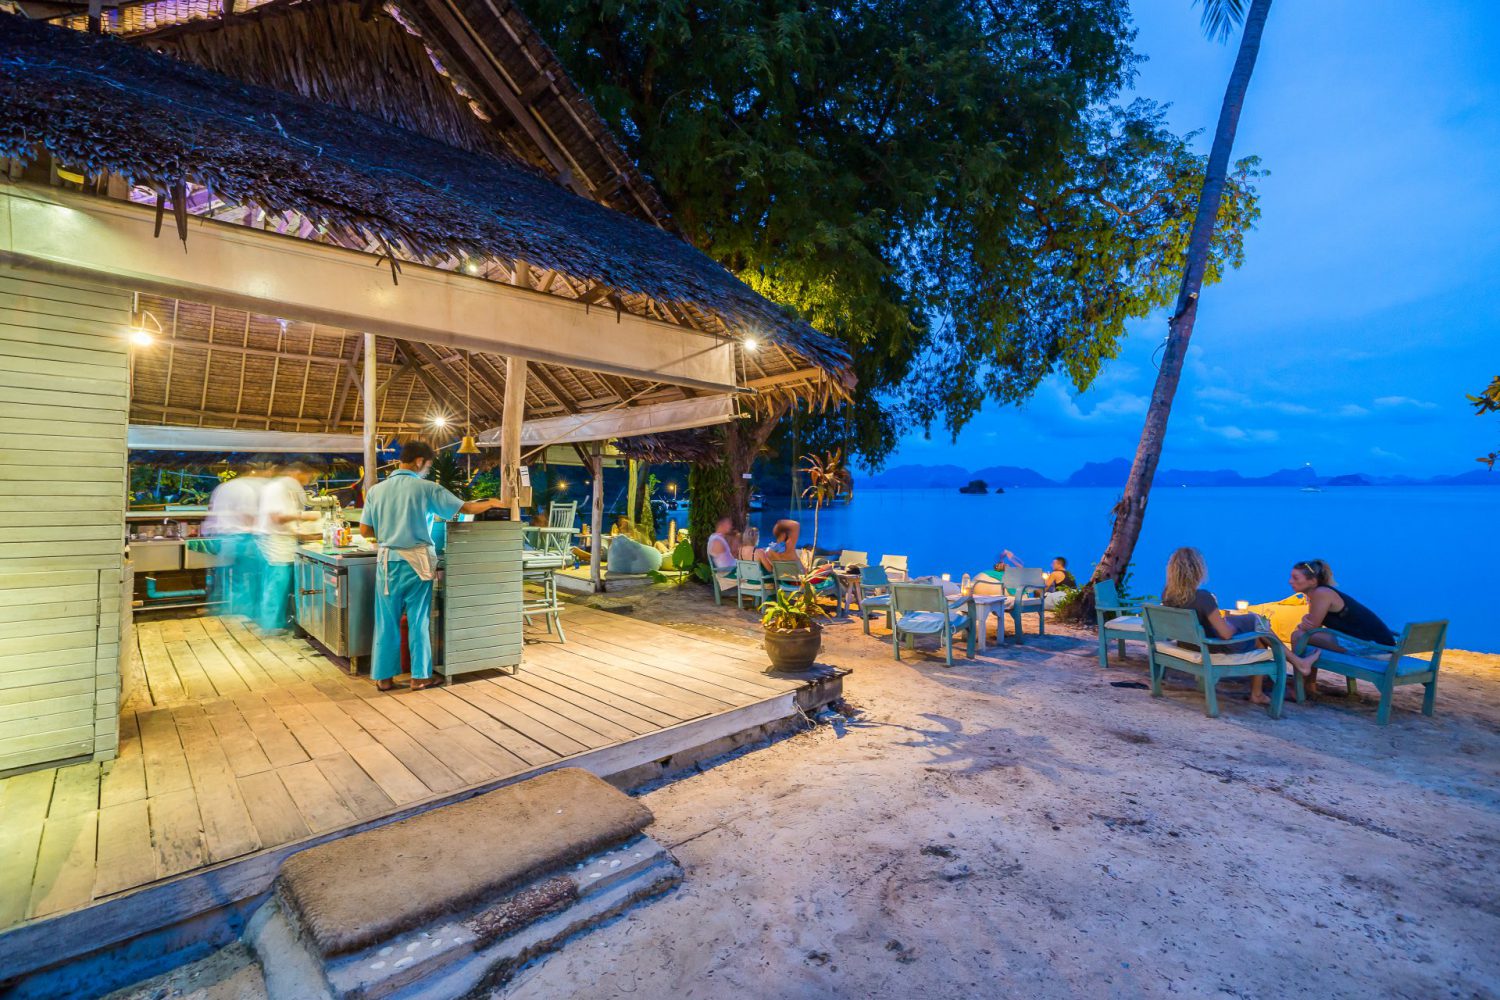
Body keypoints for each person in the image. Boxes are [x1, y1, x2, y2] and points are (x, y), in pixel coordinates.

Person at [359, 442, 504, 691]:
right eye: (427, 465)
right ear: (418, 462)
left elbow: (364, 530)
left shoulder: (376, 490)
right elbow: (466, 508)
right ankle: (419, 677)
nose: (427, 470)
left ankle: (383, 678)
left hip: (387, 563)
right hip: (417, 563)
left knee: (386, 621)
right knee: (418, 620)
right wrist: (492, 503)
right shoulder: (427, 488)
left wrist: (388, 533)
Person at [1162, 547, 1279, 705]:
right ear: (1198, 570)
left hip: (1187, 644)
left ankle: (1292, 664)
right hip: (1212, 647)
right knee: (1256, 622)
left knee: (1256, 626)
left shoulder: (1167, 594)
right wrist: (1232, 626)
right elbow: (1226, 635)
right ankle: (1263, 688)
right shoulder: (1203, 597)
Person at [1286, 558, 1395, 688]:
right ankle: (1308, 685)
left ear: (1313, 581)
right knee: (1307, 637)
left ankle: (1299, 688)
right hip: (1378, 644)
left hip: (1375, 648)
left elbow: (1311, 627)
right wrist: (1307, 623)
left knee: (1298, 636)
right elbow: (1314, 626)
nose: (1290, 581)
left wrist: (1304, 622)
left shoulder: (1322, 593)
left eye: (1295, 578)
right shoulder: (1320, 592)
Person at [255, 461, 320, 632]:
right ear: (298, 472)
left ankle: (281, 622)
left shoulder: (287, 488)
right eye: (309, 475)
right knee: (277, 587)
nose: (310, 480)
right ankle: (271, 626)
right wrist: (306, 515)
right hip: (277, 545)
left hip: (285, 543)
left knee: (282, 587)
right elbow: (277, 517)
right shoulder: (278, 488)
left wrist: (305, 534)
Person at [203, 461, 270, 619]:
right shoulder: (246, 489)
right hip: (242, 539)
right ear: (252, 472)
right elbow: (249, 516)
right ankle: (244, 616)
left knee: (226, 578)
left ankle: (225, 614)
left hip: (223, 539)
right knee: (249, 579)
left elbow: (212, 512)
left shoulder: (223, 487)